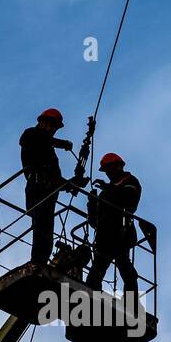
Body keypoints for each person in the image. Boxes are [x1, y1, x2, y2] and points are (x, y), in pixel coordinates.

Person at [18, 108, 74, 265]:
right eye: (52, 126)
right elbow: (42, 139)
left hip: (47, 188)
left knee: (46, 230)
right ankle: (37, 262)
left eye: (55, 127)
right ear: (42, 122)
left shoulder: (45, 146)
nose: (53, 130)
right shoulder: (31, 135)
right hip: (37, 186)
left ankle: (40, 262)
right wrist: (63, 144)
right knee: (42, 227)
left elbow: (53, 178)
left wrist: (69, 185)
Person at [84, 152, 140, 296]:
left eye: (109, 170)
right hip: (104, 236)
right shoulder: (105, 193)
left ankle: (132, 302)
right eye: (106, 171)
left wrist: (107, 189)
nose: (108, 174)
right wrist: (92, 202)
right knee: (97, 270)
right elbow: (94, 221)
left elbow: (129, 201)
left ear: (117, 167)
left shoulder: (130, 181)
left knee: (125, 267)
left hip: (121, 233)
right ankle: (90, 296)